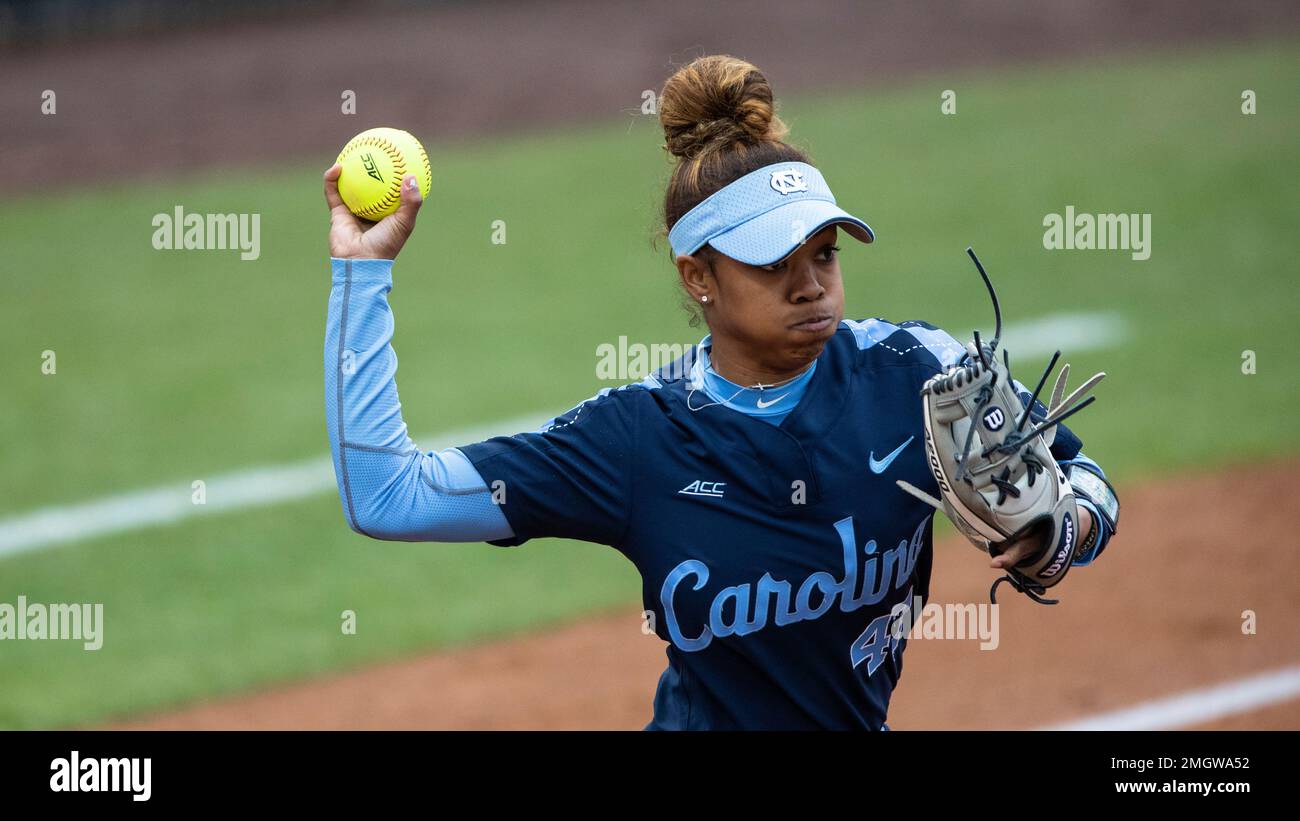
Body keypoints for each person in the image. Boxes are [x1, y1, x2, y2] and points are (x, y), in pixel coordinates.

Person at [321, 55, 1118, 730]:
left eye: (826, 254)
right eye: (773, 264)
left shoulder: (916, 372)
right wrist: (363, 271)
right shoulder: (637, 438)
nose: (811, 287)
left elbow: (1087, 483)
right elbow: (387, 496)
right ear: (697, 275)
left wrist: (1065, 528)